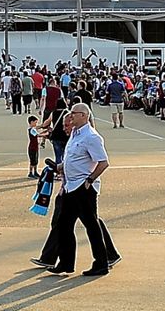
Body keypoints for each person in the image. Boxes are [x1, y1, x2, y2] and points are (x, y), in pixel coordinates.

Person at [33, 103, 117, 277]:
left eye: (74, 114)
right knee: (64, 225)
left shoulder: (91, 137)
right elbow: (71, 160)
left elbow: (103, 162)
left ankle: (101, 263)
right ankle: (65, 262)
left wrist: (90, 179)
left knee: (92, 226)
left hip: (84, 188)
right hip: (71, 186)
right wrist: (60, 170)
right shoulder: (75, 135)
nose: (71, 116)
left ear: (84, 116)